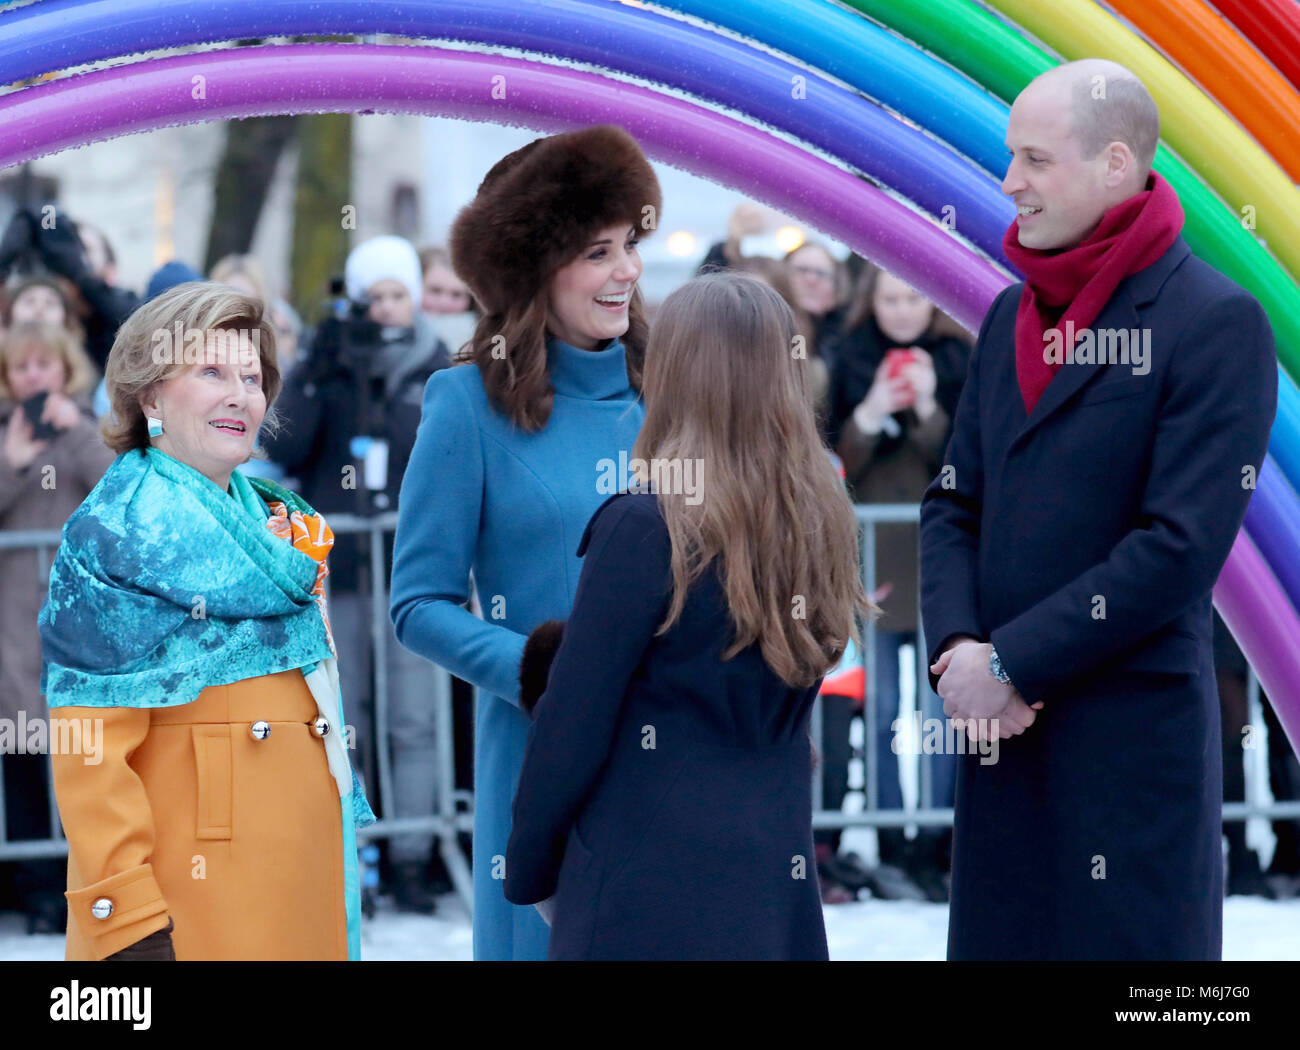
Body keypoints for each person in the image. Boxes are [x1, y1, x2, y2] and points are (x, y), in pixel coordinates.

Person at [921, 59, 1277, 960]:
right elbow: (953, 502)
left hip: (1127, 756)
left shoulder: (1213, 321)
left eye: (1035, 160)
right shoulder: (1009, 317)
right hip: (1002, 745)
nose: (1009, 183)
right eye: (1011, 158)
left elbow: (1179, 548)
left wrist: (1009, 660)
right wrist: (959, 651)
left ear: (1116, 164)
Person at [502, 272, 871, 959]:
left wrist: (531, 866)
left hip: (646, 871)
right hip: (769, 865)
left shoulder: (647, 527)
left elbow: (574, 718)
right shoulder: (820, 521)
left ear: (676, 376)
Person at [38, 281, 374, 960]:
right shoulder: (118, 531)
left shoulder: (281, 525)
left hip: (294, 891)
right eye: (212, 371)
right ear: (149, 396)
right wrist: (126, 923)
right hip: (192, 917)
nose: (239, 395)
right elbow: (90, 748)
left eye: (252, 377)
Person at [390, 123, 661, 961]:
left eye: (629, 246)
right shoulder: (463, 404)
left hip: (674, 749)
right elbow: (417, 604)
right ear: (536, 272)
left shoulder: (676, 387)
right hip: (542, 756)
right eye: (596, 252)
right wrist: (537, 670)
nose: (626, 272)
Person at [264, 234, 451, 914]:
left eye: (398, 295)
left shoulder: (439, 368)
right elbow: (284, 445)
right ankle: (350, 850)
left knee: (413, 718)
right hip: (337, 574)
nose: (386, 309)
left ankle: (412, 856)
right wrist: (317, 362)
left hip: (412, 572)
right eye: (374, 297)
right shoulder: (329, 363)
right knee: (342, 715)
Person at [822, 265, 972, 903]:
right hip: (875, 571)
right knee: (881, 710)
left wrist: (932, 405)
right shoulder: (846, 360)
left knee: (940, 713)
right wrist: (873, 410)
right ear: (870, 302)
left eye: (914, 295)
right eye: (890, 297)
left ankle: (936, 843)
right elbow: (837, 462)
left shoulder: (959, 359)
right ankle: (889, 842)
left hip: (939, 569)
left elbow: (967, 457)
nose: (903, 309)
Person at [0, 321, 114, 934]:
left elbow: (117, 492)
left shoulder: (88, 431)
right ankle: (39, 891)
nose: (33, 377)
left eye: (44, 365)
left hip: (76, 622)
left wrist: (75, 440)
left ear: (66, 369)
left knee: (81, 759)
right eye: (21, 367)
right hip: (12, 625)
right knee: (21, 753)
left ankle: (86, 885)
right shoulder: (2, 434)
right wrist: (13, 461)